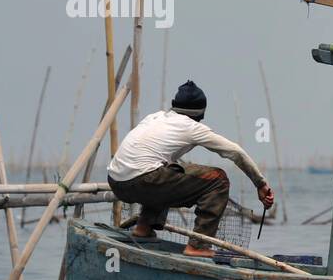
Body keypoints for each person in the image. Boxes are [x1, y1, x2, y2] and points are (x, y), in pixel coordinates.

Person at [107, 80, 274, 257]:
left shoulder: (154, 117)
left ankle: (143, 227)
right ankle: (198, 245)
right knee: (218, 179)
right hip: (143, 182)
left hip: (116, 182)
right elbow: (235, 152)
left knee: (168, 169)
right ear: (199, 113)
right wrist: (260, 184)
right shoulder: (192, 127)